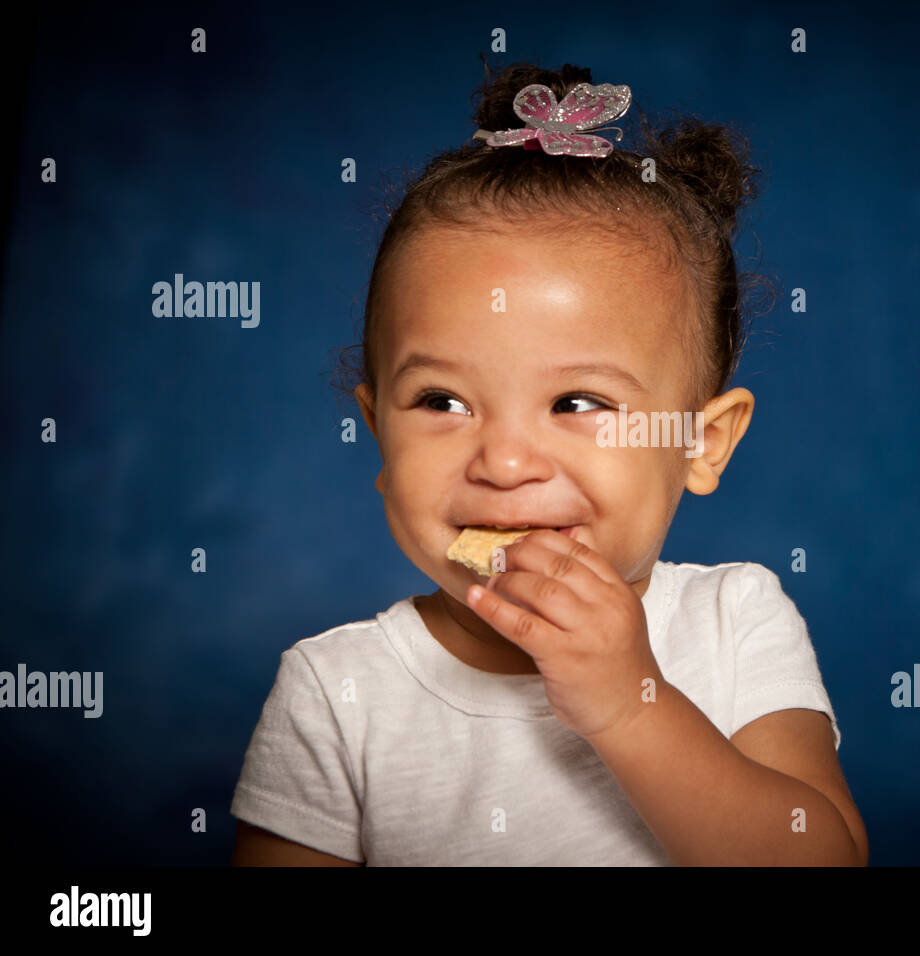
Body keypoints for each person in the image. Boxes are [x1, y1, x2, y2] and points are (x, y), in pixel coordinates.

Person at [229, 60, 867, 866]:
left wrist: (631, 707)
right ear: (377, 435)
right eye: (441, 403)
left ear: (699, 443)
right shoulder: (335, 689)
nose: (504, 460)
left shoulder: (735, 620)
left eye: (576, 404)